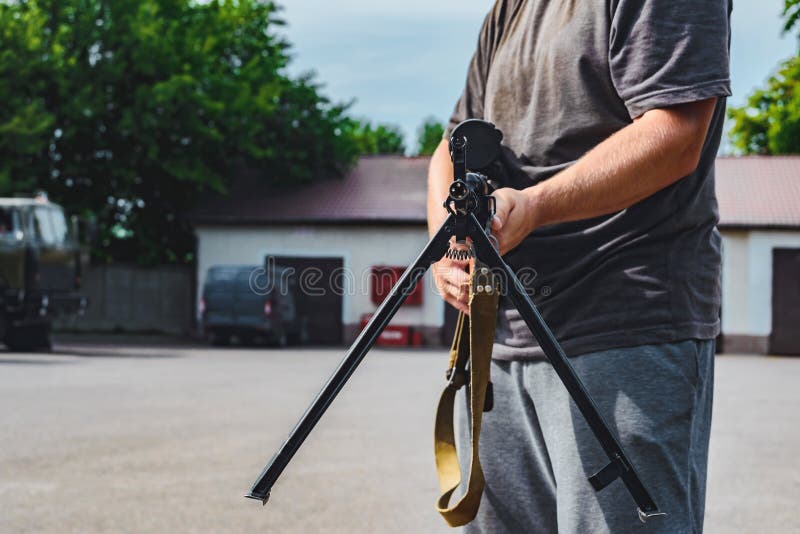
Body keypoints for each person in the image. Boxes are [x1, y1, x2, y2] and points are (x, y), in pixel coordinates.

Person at [427, 1, 731, 532]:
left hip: (622, 325)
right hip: (499, 335)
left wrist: (538, 205)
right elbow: (454, 145)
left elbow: (676, 134)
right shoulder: (512, 8)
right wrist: (444, 241)